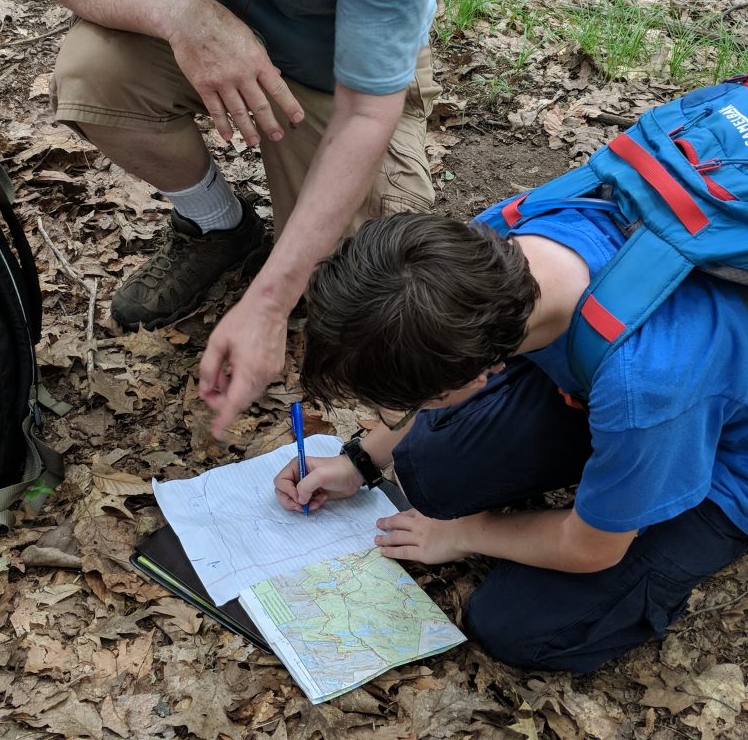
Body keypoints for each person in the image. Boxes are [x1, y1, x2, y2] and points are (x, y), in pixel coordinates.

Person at [28, 0, 439, 436]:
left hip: (334, 67)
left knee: (366, 291)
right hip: (205, 31)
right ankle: (220, 227)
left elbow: (368, 111)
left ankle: (284, 262)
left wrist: (272, 303)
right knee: (92, 74)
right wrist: (182, 14)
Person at [273, 209, 748, 672]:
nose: (407, 412)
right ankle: (614, 463)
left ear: (483, 370)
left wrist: (464, 534)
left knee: (515, 624)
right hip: (628, 380)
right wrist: (359, 461)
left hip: (726, 458)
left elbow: (593, 548)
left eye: (422, 401)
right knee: (429, 468)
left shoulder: (643, 390)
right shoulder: (484, 249)